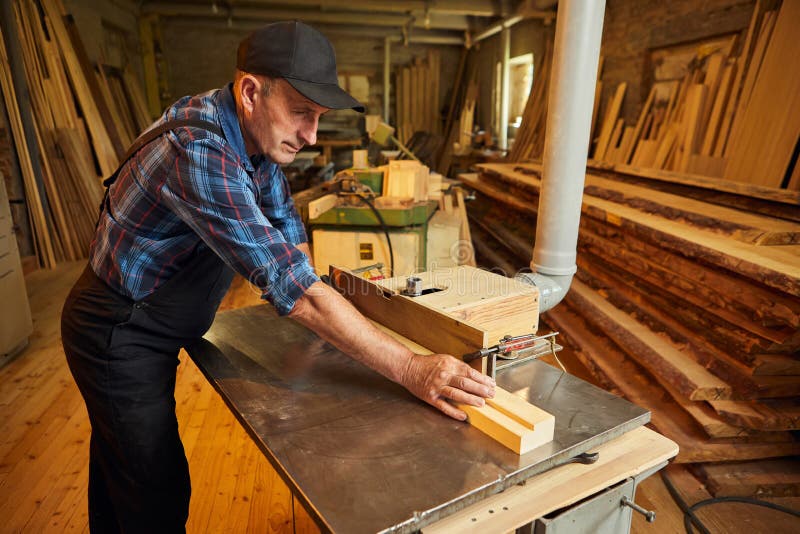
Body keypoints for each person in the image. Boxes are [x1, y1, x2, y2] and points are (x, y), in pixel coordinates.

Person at [61, 20, 495, 533]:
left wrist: (326, 303)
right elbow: (295, 289)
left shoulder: (253, 139)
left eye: (318, 118)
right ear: (250, 91)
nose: (311, 136)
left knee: (121, 469)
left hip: (151, 318)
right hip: (117, 330)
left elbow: (289, 234)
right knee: (154, 488)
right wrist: (412, 368)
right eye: (302, 113)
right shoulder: (199, 150)